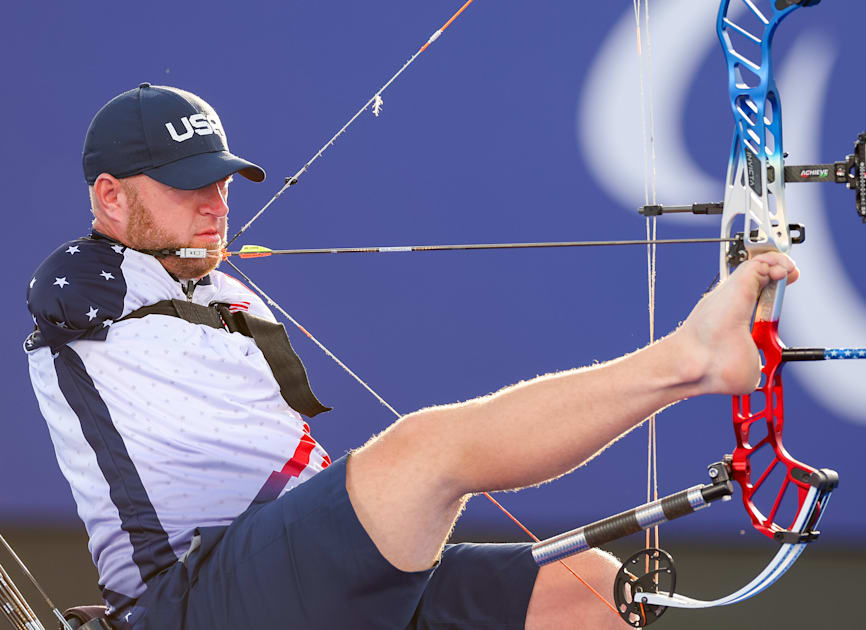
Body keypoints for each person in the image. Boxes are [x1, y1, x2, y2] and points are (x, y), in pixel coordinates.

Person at [24, 83, 799, 630]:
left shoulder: (230, 296)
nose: (215, 204)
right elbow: (62, 287)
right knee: (423, 452)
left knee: (585, 593)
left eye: (221, 183)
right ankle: (693, 361)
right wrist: (140, 263)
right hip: (194, 599)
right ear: (110, 199)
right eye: (184, 187)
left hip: (298, 574)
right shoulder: (80, 291)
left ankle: (696, 361)